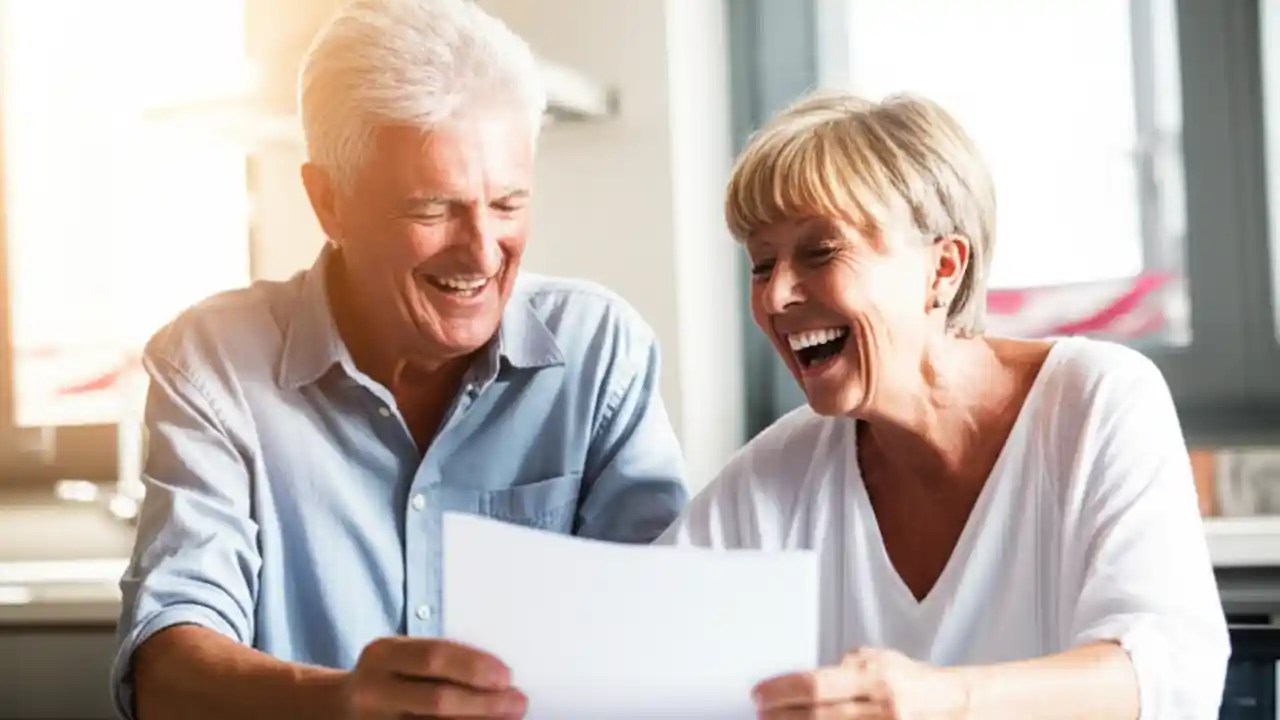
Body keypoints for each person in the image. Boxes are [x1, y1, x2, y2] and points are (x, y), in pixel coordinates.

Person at [110, 1, 688, 718]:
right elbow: (167, 667)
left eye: (507, 204)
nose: (480, 252)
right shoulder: (214, 365)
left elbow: (666, 644)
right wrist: (341, 702)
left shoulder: (600, 352)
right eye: (432, 209)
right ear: (329, 202)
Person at [658, 89, 1229, 719]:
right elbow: (640, 640)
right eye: (762, 265)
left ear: (944, 269)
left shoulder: (1096, 400)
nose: (776, 296)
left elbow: (1171, 674)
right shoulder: (777, 474)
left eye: (821, 251)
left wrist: (944, 698)